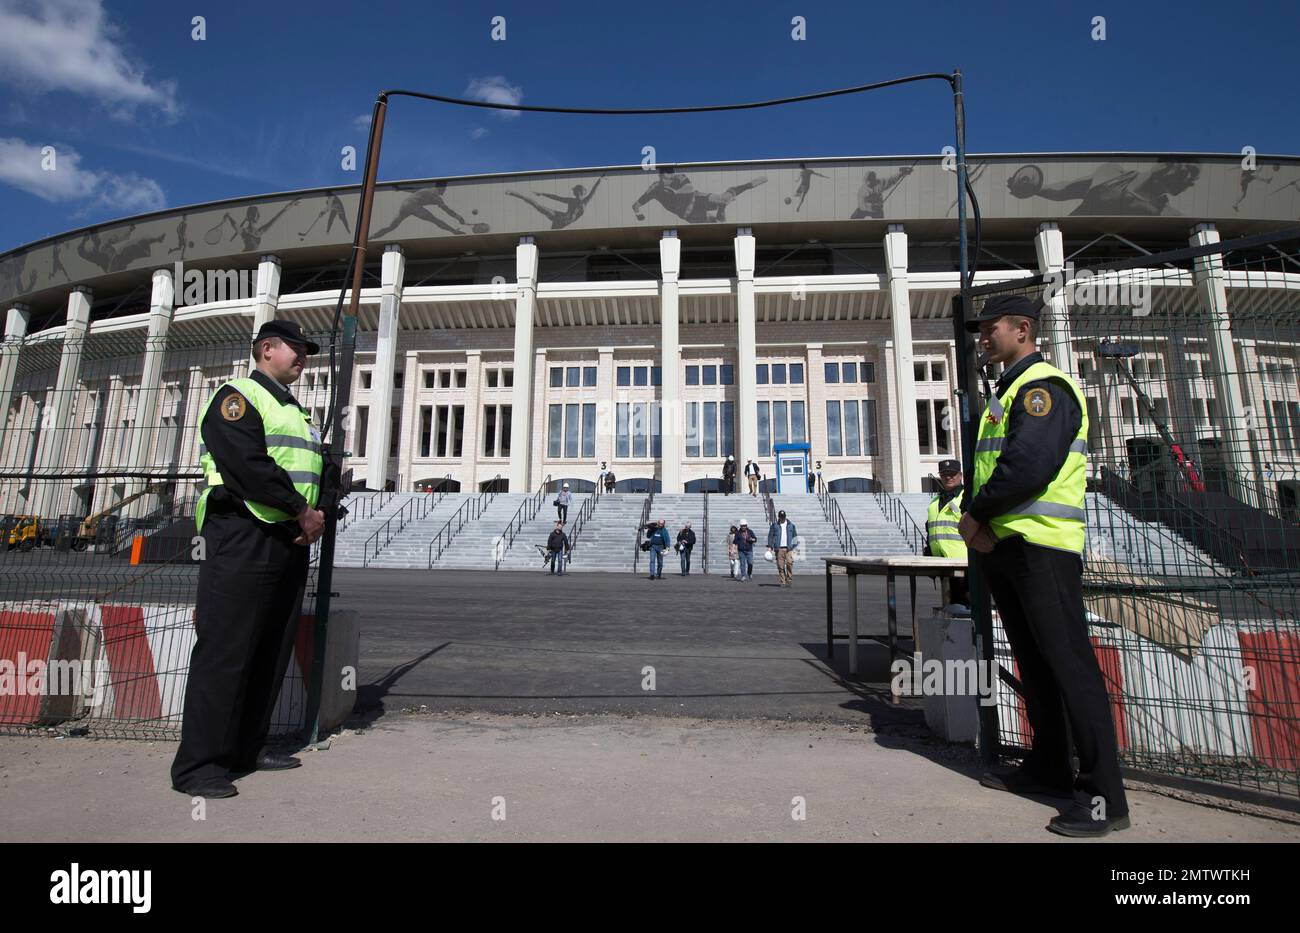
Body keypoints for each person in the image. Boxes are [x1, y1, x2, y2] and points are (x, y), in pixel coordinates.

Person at [959, 293, 1129, 838]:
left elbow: (1028, 466)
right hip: (1010, 545)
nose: (983, 337)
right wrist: (985, 524)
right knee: (1035, 663)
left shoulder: (1043, 389)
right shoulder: (1009, 390)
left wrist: (974, 513)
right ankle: (1050, 766)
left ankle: (1105, 799)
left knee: (1070, 667)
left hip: (1041, 547)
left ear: (1023, 330)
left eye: (991, 328)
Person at [170, 320, 326, 799]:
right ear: (266, 349)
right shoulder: (236, 397)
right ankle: (199, 766)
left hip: (286, 538)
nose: (303, 356)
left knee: (269, 649)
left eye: (305, 350)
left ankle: (246, 748)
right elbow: (248, 466)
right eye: (295, 348)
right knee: (227, 649)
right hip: (243, 533)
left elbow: (304, 467)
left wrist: (315, 512)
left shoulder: (294, 409)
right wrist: (301, 511)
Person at [925, 458, 969, 606]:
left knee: (966, 606)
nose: (948, 477)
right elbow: (930, 529)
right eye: (944, 474)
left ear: (960, 475)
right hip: (942, 563)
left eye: (952, 474)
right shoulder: (935, 501)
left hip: (964, 564)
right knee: (951, 607)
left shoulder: (967, 497)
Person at [766, 509, 799, 587]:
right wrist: (770, 546)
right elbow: (770, 536)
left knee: (789, 563)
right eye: (781, 517)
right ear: (779, 517)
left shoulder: (791, 525)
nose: (782, 518)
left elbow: (795, 536)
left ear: (785, 516)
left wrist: (793, 546)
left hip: (788, 548)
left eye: (783, 517)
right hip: (779, 548)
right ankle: (783, 581)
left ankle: (789, 579)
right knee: (780, 566)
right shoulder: (774, 525)